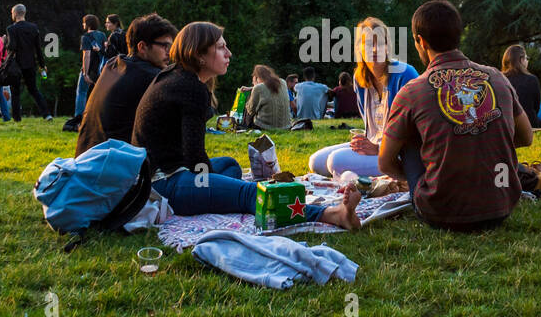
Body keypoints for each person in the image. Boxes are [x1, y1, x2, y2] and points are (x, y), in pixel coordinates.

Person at [132, 22, 361, 227]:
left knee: (230, 165)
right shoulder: (189, 87)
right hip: (164, 184)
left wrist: (213, 183)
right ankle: (332, 215)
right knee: (251, 192)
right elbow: (195, 157)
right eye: (221, 47)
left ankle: (218, 196)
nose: (229, 53)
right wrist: (209, 182)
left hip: (160, 174)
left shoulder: (174, 77)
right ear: (200, 54)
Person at [377, 0, 532, 231]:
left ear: (420, 41)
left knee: (408, 138)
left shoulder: (412, 91)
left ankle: (437, 186)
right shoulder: (497, 78)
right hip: (501, 205)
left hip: (439, 211)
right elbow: (526, 137)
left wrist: (421, 175)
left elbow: (385, 162)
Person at [309, 16, 419, 180]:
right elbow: (371, 127)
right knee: (316, 161)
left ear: (388, 47)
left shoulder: (405, 74)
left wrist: (378, 148)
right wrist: (365, 143)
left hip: (402, 153)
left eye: (380, 44)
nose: (375, 50)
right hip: (374, 145)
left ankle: (400, 174)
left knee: (335, 162)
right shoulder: (359, 78)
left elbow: (415, 129)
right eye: (368, 44)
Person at [74, 13, 176, 157]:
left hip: (85, 162)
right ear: (142, 47)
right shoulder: (153, 78)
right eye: (164, 46)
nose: (169, 52)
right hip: (115, 170)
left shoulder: (112, 65)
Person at [6, 3, 52, 121]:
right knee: (34, 89)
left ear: (15, 14)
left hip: (16, 64)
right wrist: (42, 65)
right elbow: (38, 48)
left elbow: (12, 46)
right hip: (30, 63)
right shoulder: (33, 27)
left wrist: (5, 42)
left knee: (15, 91)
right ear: (24, 13)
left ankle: (17, 118)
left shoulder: (11, 29)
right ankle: (46, 114)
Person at [71, 14, 108, 122]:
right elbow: (105, 50)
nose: (82, 24)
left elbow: (86, 55)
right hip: (101, 69)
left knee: (82, 92)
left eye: (84, 22)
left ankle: (79, 117)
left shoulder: (85, 37)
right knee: (100, 93)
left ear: (87, 24)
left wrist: (85, 73)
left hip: (90, 69)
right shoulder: (102, 35)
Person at [501, 44, 541, 128]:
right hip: (529, 123)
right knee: (540, 107)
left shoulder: (500, 79)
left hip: (506, 124)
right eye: (526, 58)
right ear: (521, 60)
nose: (527, 61)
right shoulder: (532, 79)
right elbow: (536, 107)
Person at [244, 65, 293, 131]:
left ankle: (245, 126)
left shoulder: (258, 88)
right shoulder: (283, 82)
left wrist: (254, 88)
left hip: (266, 127)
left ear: (257, 78)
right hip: (286, 126)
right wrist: (251, 88)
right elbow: (268, 90)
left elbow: (251, 111)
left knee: (249, 105)